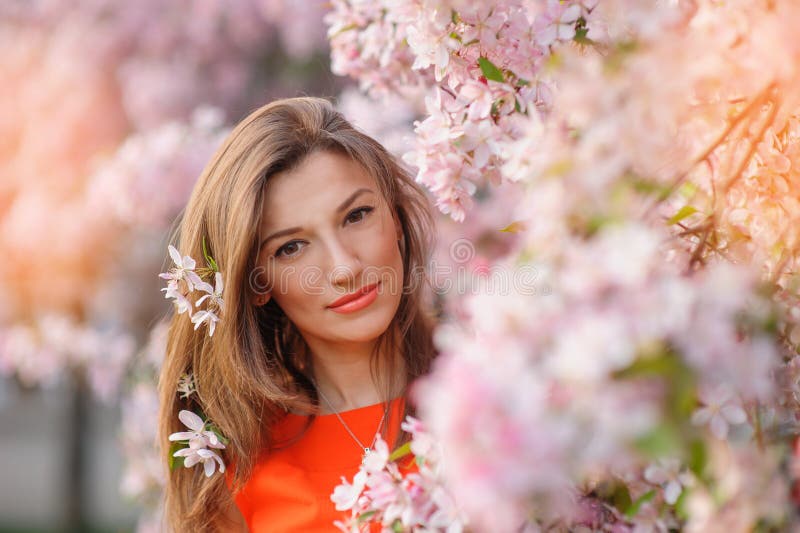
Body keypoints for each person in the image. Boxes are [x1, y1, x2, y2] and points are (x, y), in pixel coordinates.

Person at [157, 96, 440, 531]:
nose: (345, 267)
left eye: (357, 215)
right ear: (255, 283)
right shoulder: (238, 472)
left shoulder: (499, 388)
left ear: (396, 217)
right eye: (291, 247)